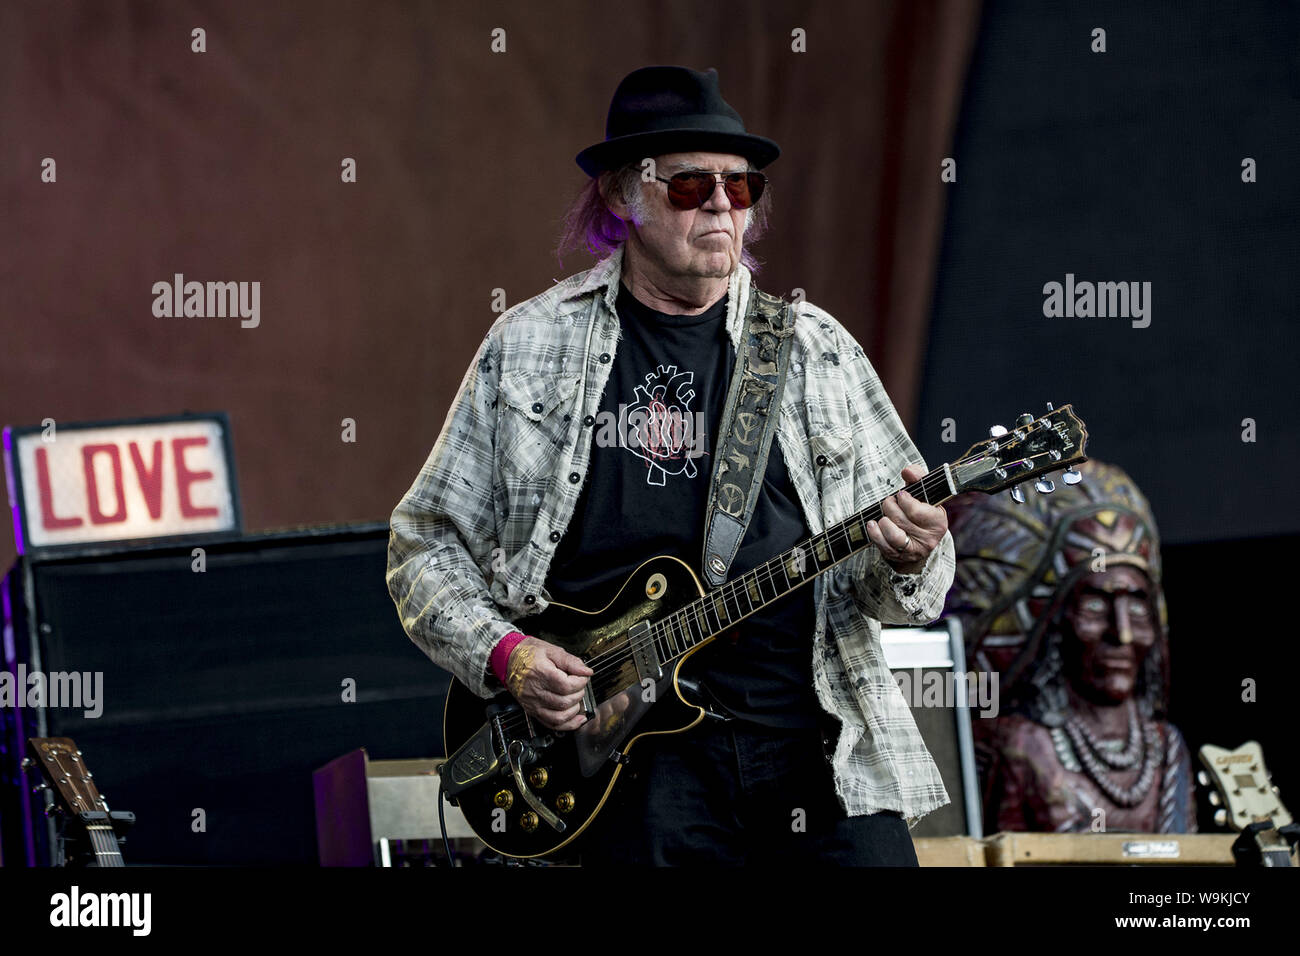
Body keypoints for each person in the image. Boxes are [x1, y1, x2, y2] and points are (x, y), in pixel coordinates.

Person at [386, 65, 956, 864]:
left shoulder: (814, 350)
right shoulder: (527, 347)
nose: (722, 204)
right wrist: (508, 657)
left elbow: (907, 593)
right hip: (632, 766)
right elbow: (423, 547)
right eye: (691, 185)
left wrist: (913, 554)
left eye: (740, 185)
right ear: (624, 195)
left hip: (817, 741)